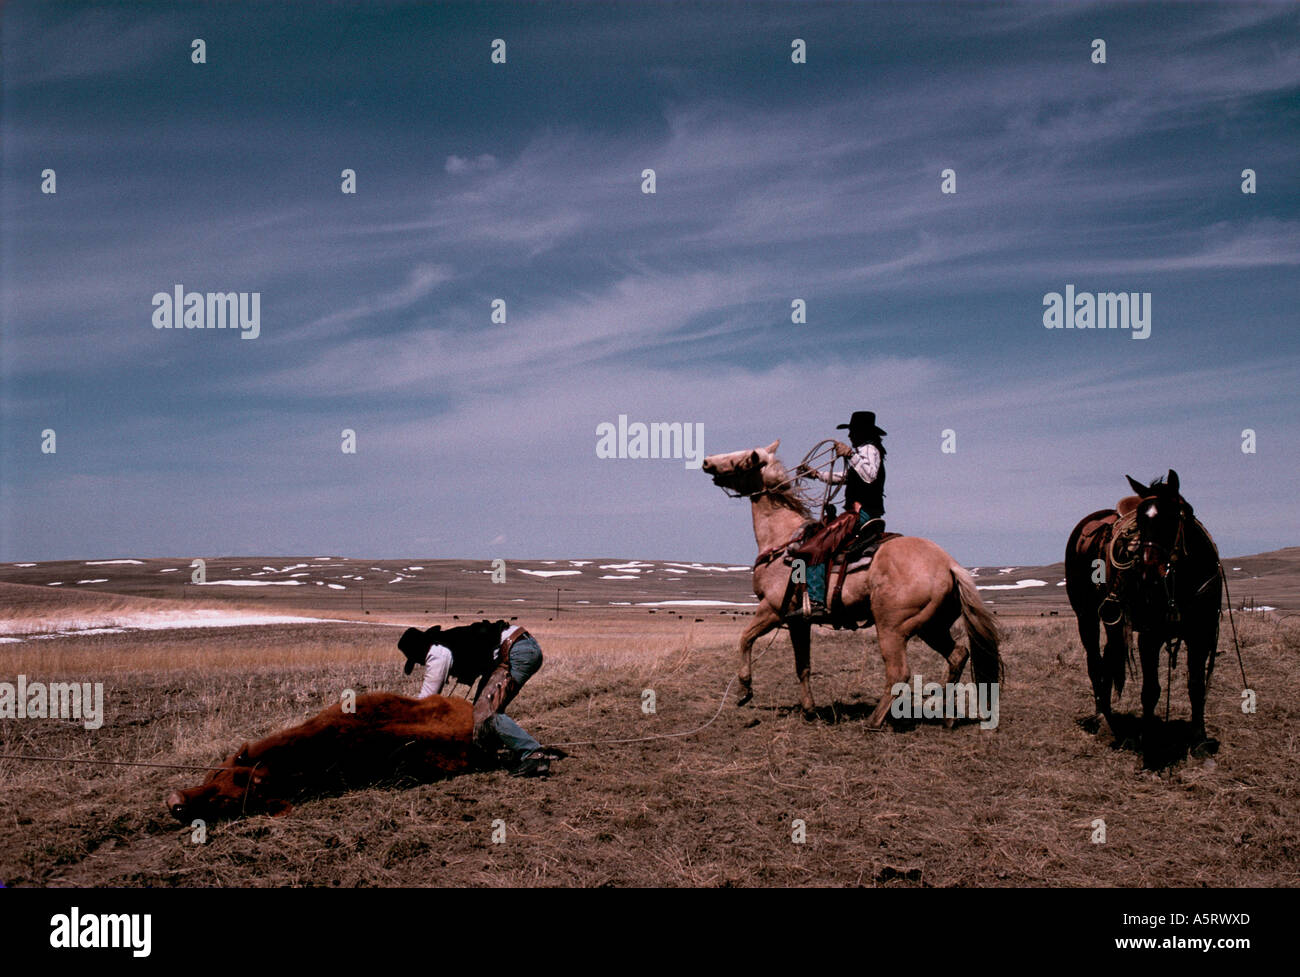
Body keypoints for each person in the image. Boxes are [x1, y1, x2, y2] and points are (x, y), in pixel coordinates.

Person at [398, 620, 563, 777]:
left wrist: (406, 725)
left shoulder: (437, 654)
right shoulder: (445, 643)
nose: (421, 664)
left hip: (516, 651)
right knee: (481, 710)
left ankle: (533, 754)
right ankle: (487, 752)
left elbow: (427, 701)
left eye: (417, 661)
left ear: (419, 652)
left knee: (486, 712)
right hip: (519, 646)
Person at [793, 410, 888, 617]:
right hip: (861, 512)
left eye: (852, 431)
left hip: (860, 514)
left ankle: (814, 600)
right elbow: (844, 476)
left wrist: (850, 455)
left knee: (812, 547)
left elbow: (870, 476)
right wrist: (817, 475)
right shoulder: (863, 453)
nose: (850, 435)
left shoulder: (870, 449)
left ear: (862, 432)